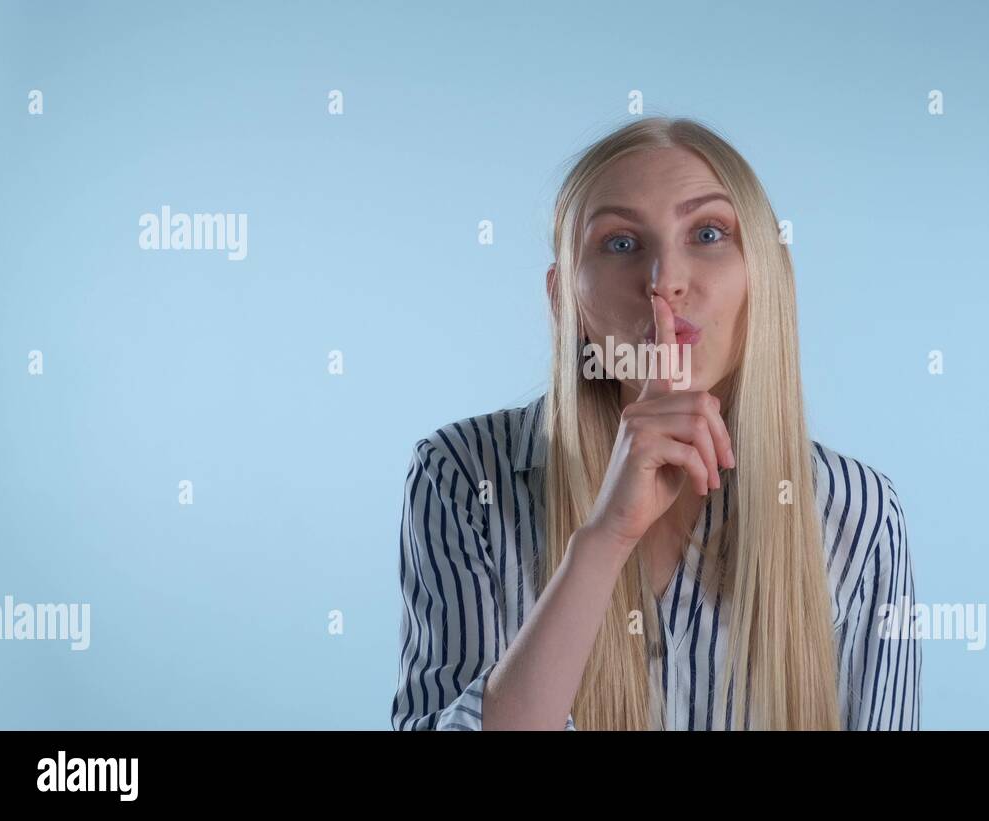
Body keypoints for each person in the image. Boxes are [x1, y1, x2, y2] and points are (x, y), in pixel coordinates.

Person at [391, 116, 920, 730]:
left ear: (765, 282)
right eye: (620, 243)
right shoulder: (462, 474)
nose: (664, 280)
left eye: (709, 232)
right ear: (564, 300)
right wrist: (603, 540)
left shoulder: (858, 514)